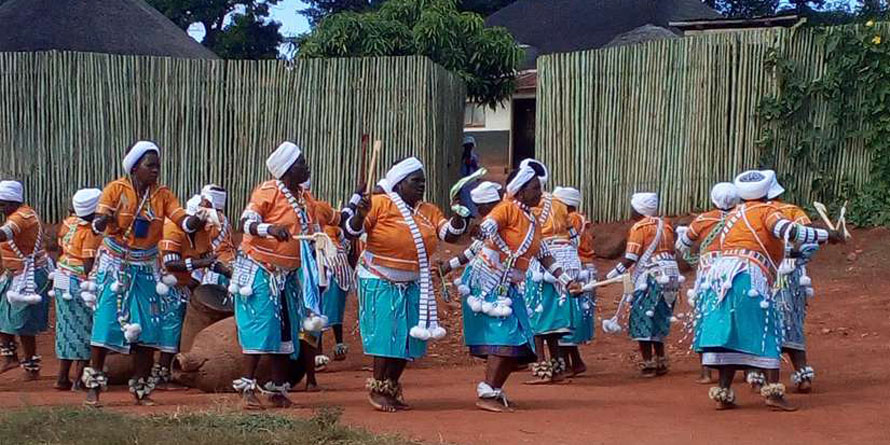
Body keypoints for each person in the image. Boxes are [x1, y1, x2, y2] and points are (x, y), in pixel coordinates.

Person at [692, 170, 842, 411]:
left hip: (719, 278)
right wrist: (829, 235)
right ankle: (773, 393)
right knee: (768, 330)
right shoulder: (767, 211)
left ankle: (723, 393)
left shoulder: (733, 214)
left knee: (730, 334)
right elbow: (790, 232)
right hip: (748, 278)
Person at [85, 141, 209, 407]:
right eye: (149, 166)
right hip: (116, 266)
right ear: (134, 167)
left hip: (146, 269)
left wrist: (194, 221)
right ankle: (93, 387)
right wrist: (101, 222)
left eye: (157, 166)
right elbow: (100, 217)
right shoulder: (116, 190)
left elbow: (181, 219)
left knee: (149, 328)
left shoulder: (163, 195)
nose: (155, 171)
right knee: (106, 322)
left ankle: (141, 389)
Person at [452, 166, 581, 412]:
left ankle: (493, 390)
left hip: (509, 286)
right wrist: (481, 231)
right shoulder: (507, 208)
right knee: (505, 338)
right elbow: (490, 224)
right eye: (534, 188)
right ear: (520, 191)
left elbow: (544, 255)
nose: (540, 192)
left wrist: (567, 281)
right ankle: (488, 392)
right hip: (490, 285)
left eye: (540, 188)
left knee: (517, 339)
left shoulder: (531, 219)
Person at [345, 157, 470, 413]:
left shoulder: (429, 211)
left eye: (423, 181)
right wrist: (359, 214)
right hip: (380, 280)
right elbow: (350, 232)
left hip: (413, 283)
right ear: (399, 183)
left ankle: (391, 386)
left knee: (407, 338)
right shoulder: (379, 205)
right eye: (415, 181)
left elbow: (451, 235)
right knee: (386, 337)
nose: (421, 185)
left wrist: (459, 217)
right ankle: (378, 388)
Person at [230, 141, 340, 410]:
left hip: (289, 276)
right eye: (302, 162)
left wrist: (358, 204)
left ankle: (277, 391)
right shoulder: (267, 191)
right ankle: (246, 388)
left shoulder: (305, 198)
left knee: (286, 330)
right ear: (288, 169)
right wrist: (270, 230)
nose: (307, 166)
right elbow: (245, 222)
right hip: (261, 271)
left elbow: (332, 220)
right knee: (261, 327)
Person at [155, 195, 230, 389]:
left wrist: (228, 272)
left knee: (179, 325)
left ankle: (174, 369)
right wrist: (200, 264)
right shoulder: (172, 228)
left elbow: (207, 258)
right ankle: (162, 374)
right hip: (163, 284)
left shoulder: (201, 231)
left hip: (184, 284)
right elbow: (170, 263)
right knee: (170, 327)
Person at [604, 193, 680, 378]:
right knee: (661, 314)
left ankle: (648, 363)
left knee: (643, 315)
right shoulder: (666, 225)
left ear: (638, 209)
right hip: (671, 275)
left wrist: (612, 274)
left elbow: (631, 257)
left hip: (650, 277)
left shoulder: (640, 227)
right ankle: (661, 360)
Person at [675, 182, 740, 384]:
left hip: (709, 273)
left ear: (713, 199)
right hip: (736, 268)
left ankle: (706, 372)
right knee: (737, 313)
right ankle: (748, 371)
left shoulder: (703, 219)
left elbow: (683, 244)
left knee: (705, 314)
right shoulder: (743, 216)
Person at [763, 172, 818, 394]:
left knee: (763, 324)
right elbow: (811, 244)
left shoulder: (748, 214)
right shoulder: (793, 211)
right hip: (790, 275)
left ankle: (762, 379)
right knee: (791, 321)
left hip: (761, 274)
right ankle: (802, 374)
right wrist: (794, 255)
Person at [523, 185, 581, 384]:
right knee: (554, 316)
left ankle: (542, 368)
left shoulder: (529, 206)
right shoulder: (559, 204)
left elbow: (527, 236)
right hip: (566, 262)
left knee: (536, 314)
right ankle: (558, 368)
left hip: (542, 263)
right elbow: (574, 238)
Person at [0, 180, 52, 381]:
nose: (1, 208)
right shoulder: (16, 214)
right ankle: (10, 356)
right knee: (3, 315)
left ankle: (31, 365)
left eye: (3, 204)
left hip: (29, 275)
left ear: (13, 202)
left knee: (23, 322)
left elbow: (5, 234)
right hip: (14, 274)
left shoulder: (23, 217)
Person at [52, 188, 103, 390]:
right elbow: (88, 264)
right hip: (80, 283)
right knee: (85, 328)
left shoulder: (68, 223)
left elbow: (59, 250)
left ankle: (61, 377)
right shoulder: (90, 232)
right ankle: (79, 380)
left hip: (61, 279)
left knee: (65, 328)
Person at [553, 187, 596, 377]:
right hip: (579, 269)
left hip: (575, 270)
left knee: (565, 314)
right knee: (568, 314)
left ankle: (569, 364)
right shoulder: (578, 219)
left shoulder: (572, 219)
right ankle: (574, 362)